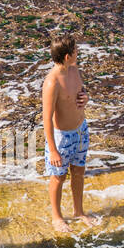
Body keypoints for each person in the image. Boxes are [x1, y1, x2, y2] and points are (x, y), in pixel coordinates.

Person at [42, 35, 100, 234]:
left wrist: (86, 97)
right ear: (67, 56)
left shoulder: (74, 69)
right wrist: (53, 150)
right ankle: (57, 217)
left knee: (78, 172)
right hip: (62, 137)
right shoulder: (52, 82)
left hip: (81, 130)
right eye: (75, 50)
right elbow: (47, 119)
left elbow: (81, 91)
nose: (78, 52)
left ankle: (78, 211)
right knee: (58, 177)